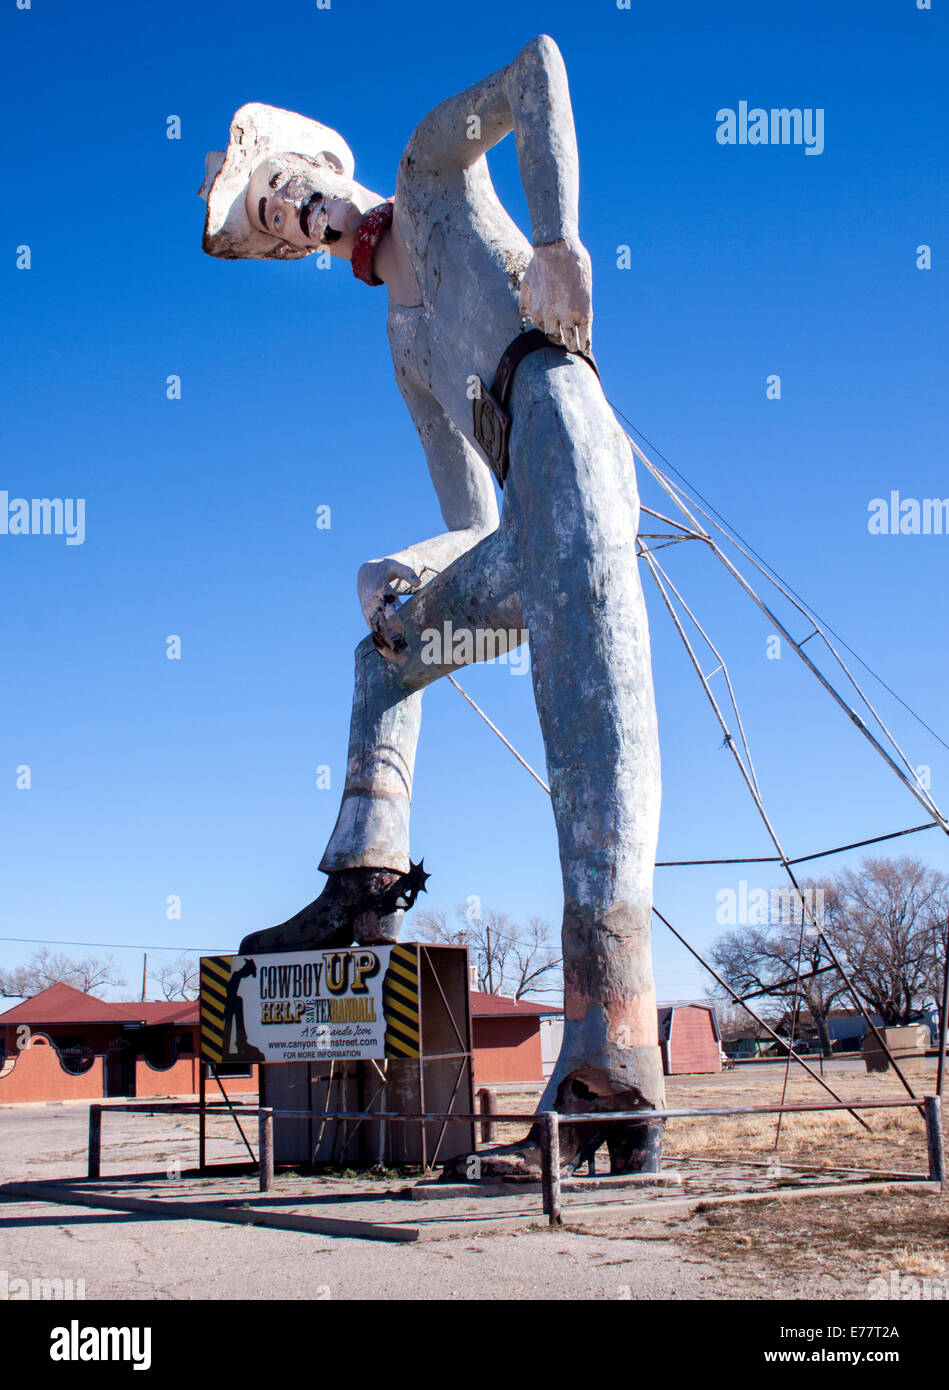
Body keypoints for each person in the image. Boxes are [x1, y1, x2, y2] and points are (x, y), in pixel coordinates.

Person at [200, 35, 665, 1175]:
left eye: (294, 192)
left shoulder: (426, 169)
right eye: (277, 220)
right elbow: (466, 517)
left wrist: (558, 244)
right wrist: (401, 572)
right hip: (522, 519)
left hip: (567, 434)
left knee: (587, 755)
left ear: (331, 169)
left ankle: (609, 1061)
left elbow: (540, 72)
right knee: (385, 654)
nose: (299, 217)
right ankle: (363, 878)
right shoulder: (405, 342)